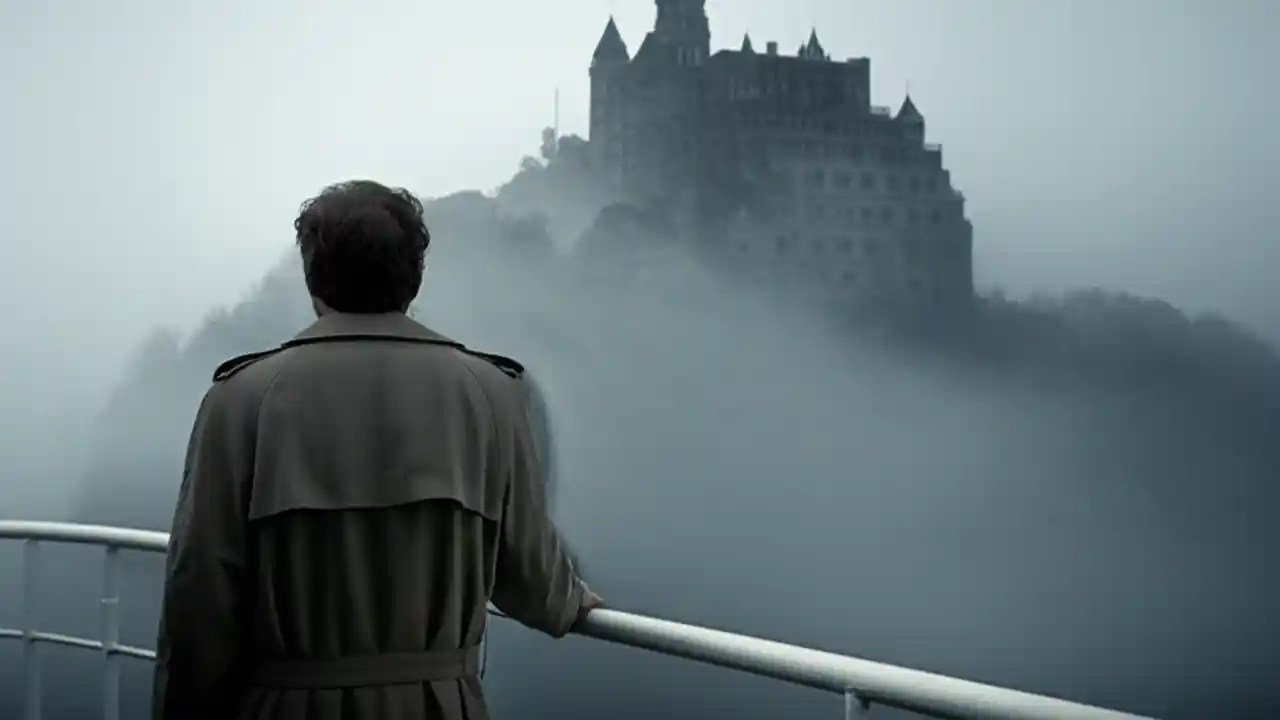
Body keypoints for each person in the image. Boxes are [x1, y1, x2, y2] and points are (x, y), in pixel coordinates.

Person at [152, 180, 601, 720]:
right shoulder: (492, 394)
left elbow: (200, 597)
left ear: (312, 277)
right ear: (414, 278)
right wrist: (573, 600)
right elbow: (532, 579)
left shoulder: (241, 400)